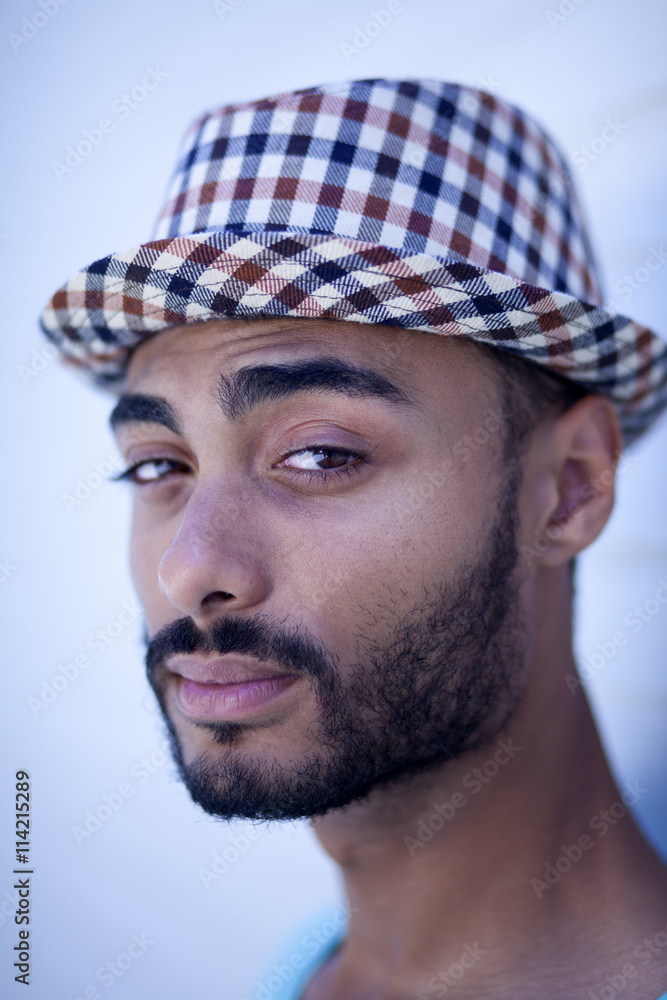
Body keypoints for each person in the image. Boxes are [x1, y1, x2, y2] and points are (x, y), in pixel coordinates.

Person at [40, 79, 667, 999]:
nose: (189, 570)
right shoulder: (303, 971)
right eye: (158, 466)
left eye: (322, 455)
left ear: (569, 487)